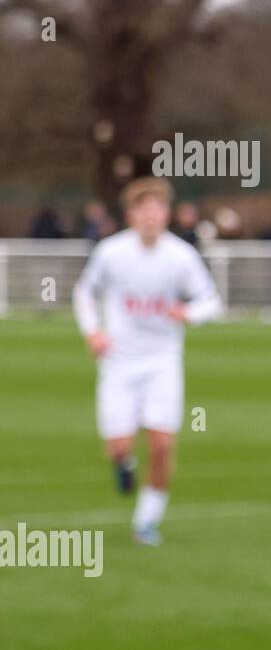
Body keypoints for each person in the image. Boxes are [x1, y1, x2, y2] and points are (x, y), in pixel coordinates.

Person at [72, 178, 223, 545]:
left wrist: (189, 313)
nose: (150, 216)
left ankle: (147, 521)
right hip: (119, 363)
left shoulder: (181, 256)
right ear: (131, 215)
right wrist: (93, 331)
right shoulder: (111, 253)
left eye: (157, 208)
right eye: (143, 209)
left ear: (166, 214)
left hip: (162, 362)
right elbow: (84, 293)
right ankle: (124, 464)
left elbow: (212, 302)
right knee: (120, 446)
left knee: (162, 444)